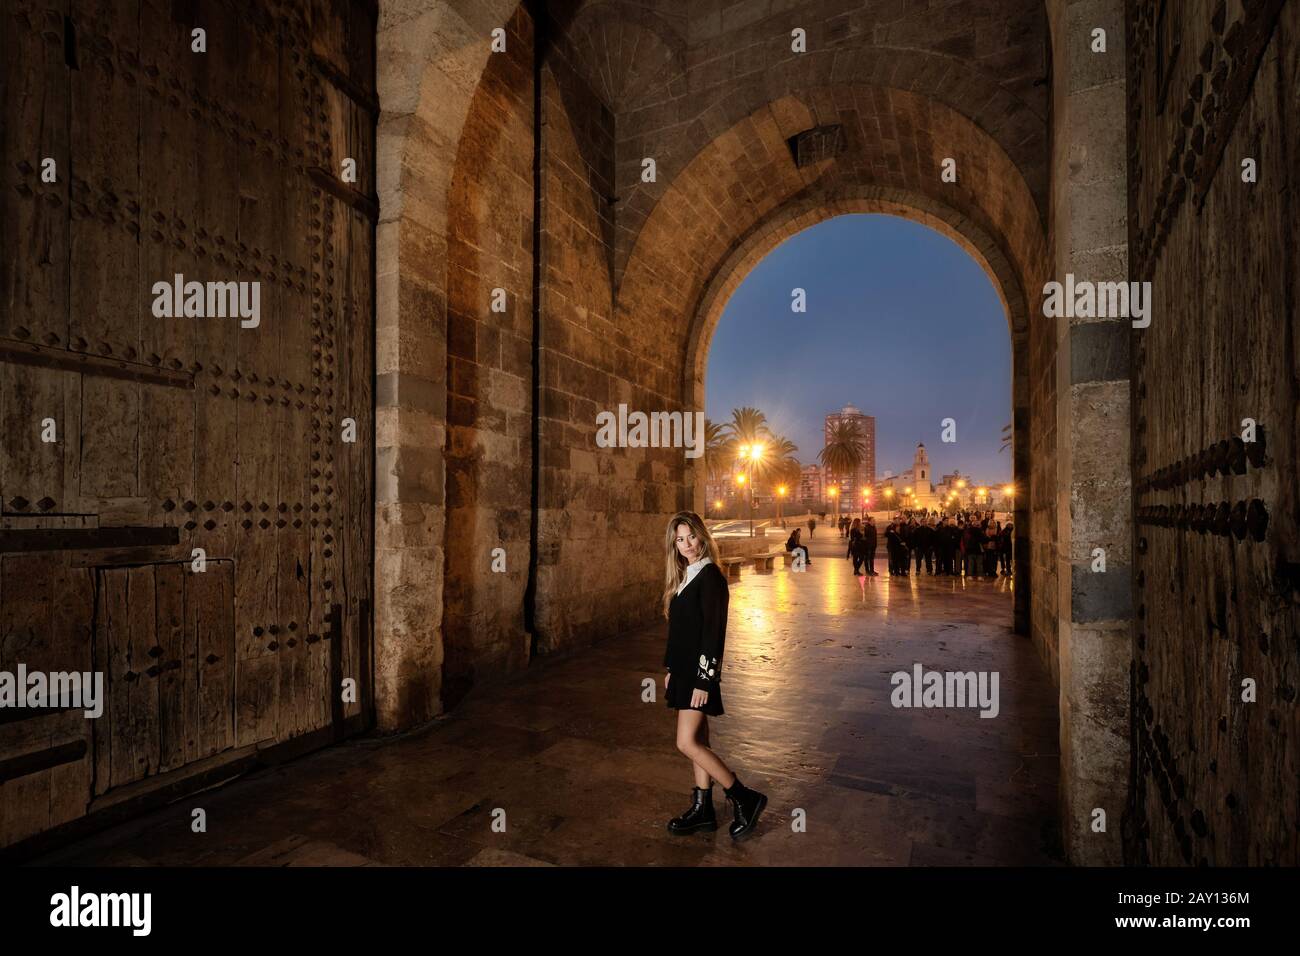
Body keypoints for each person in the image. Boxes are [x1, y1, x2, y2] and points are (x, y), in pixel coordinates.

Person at [661, 511, 767, 839]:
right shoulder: (686, 575)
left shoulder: (711, 577)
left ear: (702, 535)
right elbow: (680, 631)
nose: (687, 544)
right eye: (680, 539)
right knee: (700, 739)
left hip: (698, 675)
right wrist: (670, 668)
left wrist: (705, 681)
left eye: (691, 536)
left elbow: (712, 635)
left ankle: (744, 797)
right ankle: (703, 809)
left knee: (686, 742)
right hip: (683, 672)